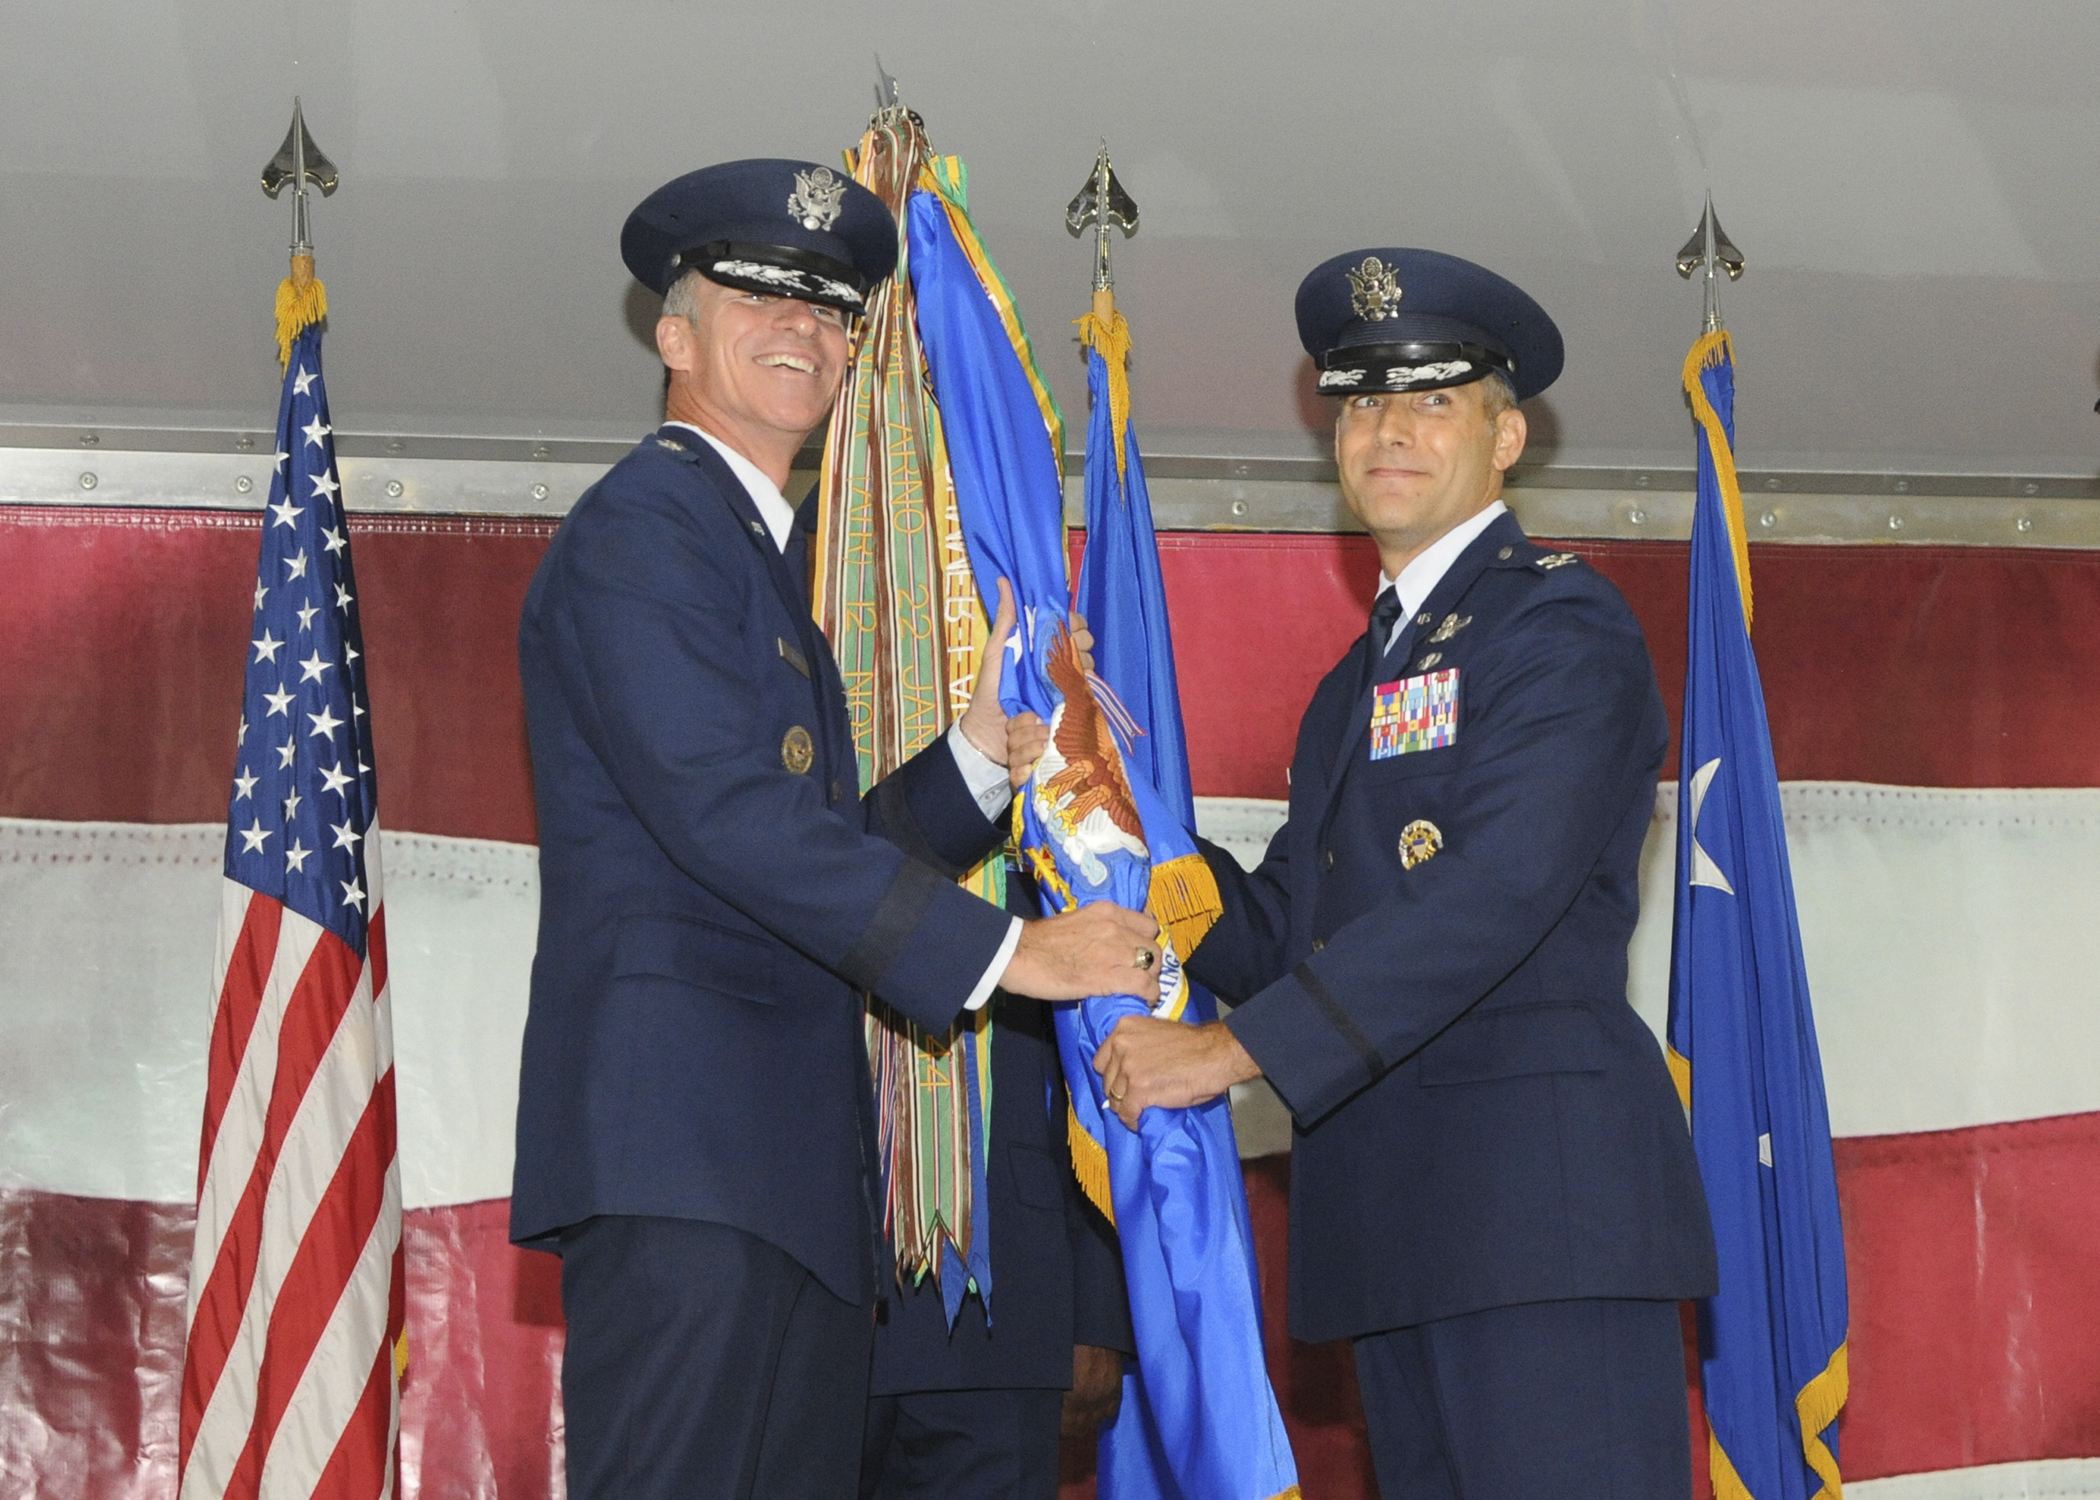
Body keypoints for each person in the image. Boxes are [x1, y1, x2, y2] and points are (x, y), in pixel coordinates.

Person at [510, 159, 1160, 1500]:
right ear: (673, 336)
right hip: (691, 1162)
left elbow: (793, 855)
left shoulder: (750, 563)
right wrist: (1015, 955)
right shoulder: (647, 527)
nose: (800, 326)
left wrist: (975, 761)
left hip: (780, 1183)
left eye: (827, 307)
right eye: (757, 296)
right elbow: (728, 815)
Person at [1091, 248, 1718, 1499]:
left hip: (1539, 1221)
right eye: (1362, 404)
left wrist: (1228, 1052)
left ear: (1507, 438)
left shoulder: (1561, 626)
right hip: (1397, 1228)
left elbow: (1495, 891)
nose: (1387, 430)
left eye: (1433, 401)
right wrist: (1120, 838)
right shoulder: (1353, 684)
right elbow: (1285, 925)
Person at [860, 859, 1135, 1500]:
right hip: (819, 1296)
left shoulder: (1042, 811)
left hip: (1006, 1304)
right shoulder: (803, 803)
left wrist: (1096, 1312)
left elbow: (1096, 1066)